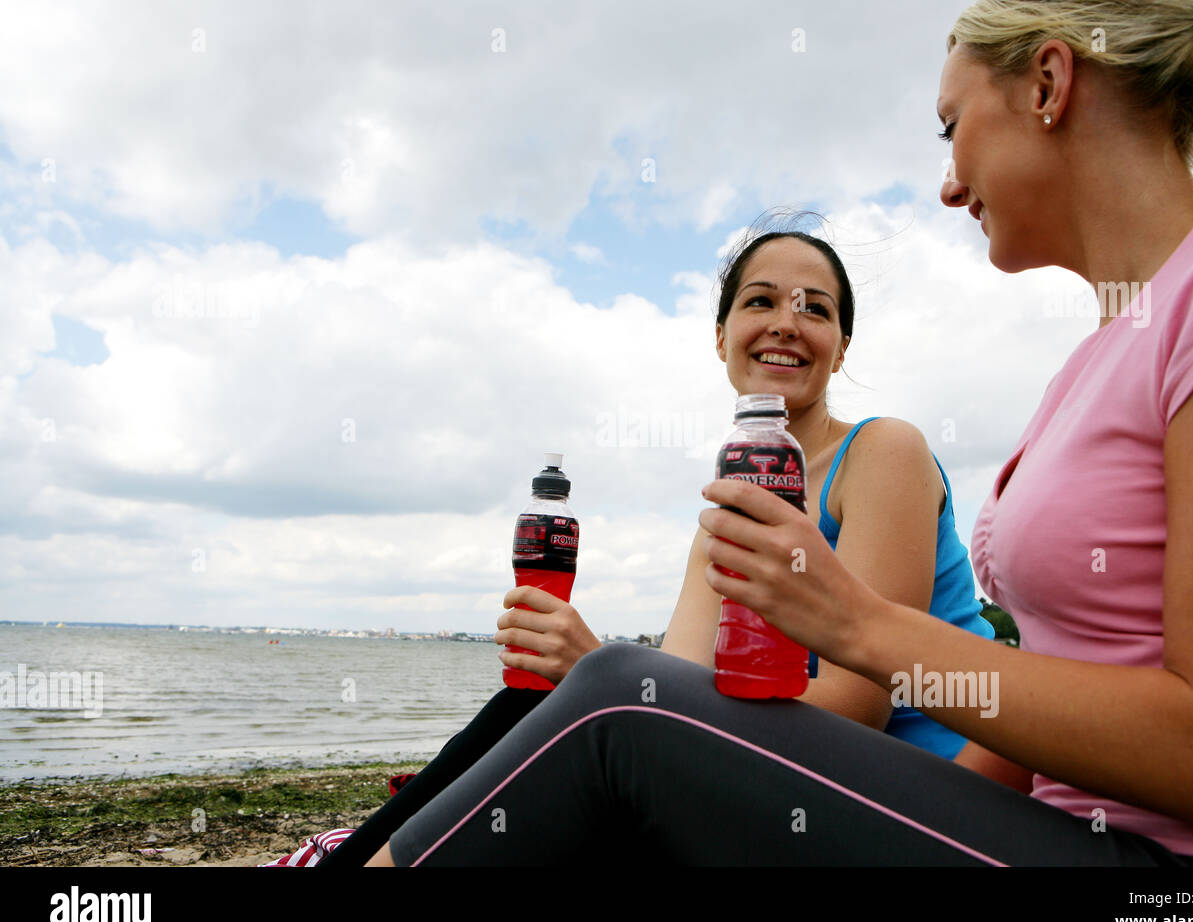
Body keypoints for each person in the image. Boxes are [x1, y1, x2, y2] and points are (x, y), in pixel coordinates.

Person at [366, 0, 1193, 867]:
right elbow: (1043, 708)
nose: (947, 184)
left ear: (1049, 86)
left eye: (951, 126)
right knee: (590, 703)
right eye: (759, 303)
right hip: (1043, 829)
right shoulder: (1091, 361)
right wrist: (888, 820)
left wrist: (852, 625)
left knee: (611, 707)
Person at [299, 217, 996, 867]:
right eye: (760, 302)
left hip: (910, 790)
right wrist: (587, 669)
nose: (787, 322)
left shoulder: (882, 451)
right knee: (535, 697)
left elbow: (860, 704)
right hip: (790, 777)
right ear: (720, 336)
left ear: (842, 347)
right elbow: (686, 689)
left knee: (592, 691)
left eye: (816, 308)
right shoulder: (728, 501)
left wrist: (604, 674)